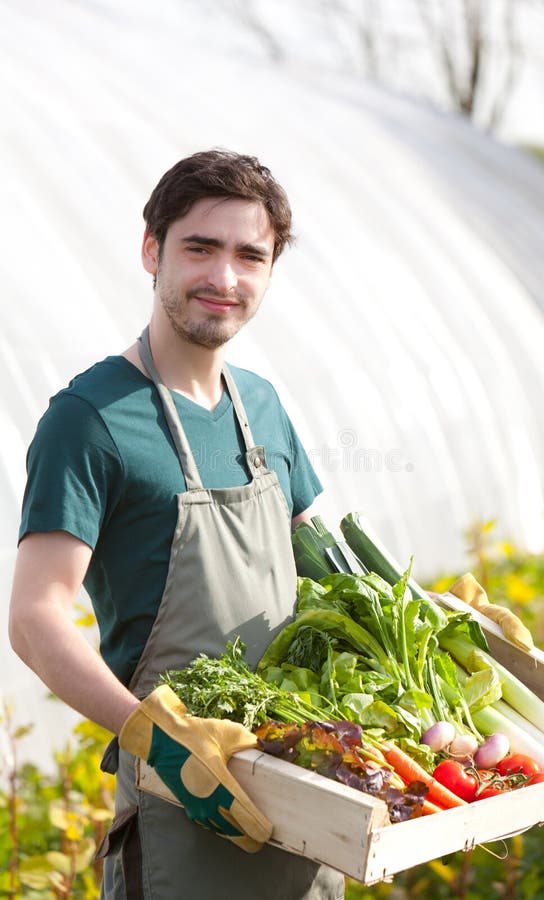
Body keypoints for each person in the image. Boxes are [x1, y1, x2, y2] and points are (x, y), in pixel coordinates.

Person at [9, 150, 345, 900]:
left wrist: (428, 626)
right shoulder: (90, 420)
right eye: (201, 247)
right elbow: (35, 618)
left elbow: (316, 560)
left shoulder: (263, 405)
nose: (224, 278)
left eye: (249, 256)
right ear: (152, 250)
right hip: (178, 816)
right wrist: (158, 742)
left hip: (309, 804)